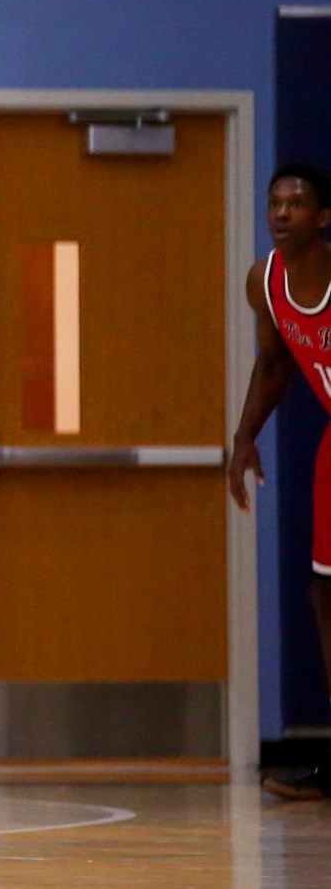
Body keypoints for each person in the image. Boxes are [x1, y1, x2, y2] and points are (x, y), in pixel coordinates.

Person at [228, 161, 331, 801]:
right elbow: (273, 364)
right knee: (323, 593)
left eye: (297, 203)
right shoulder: (265, 282)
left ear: (323, 218)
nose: (282, 212)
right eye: (275, 203)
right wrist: (244, 437)